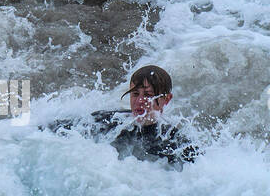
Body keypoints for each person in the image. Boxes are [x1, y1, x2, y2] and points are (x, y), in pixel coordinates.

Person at [48, 65, 200, 165]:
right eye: (135, 94)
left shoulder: (176, 142)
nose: (139, 101)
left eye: (148, 95)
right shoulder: (112, 121)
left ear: (166, 99)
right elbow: (54, 131)